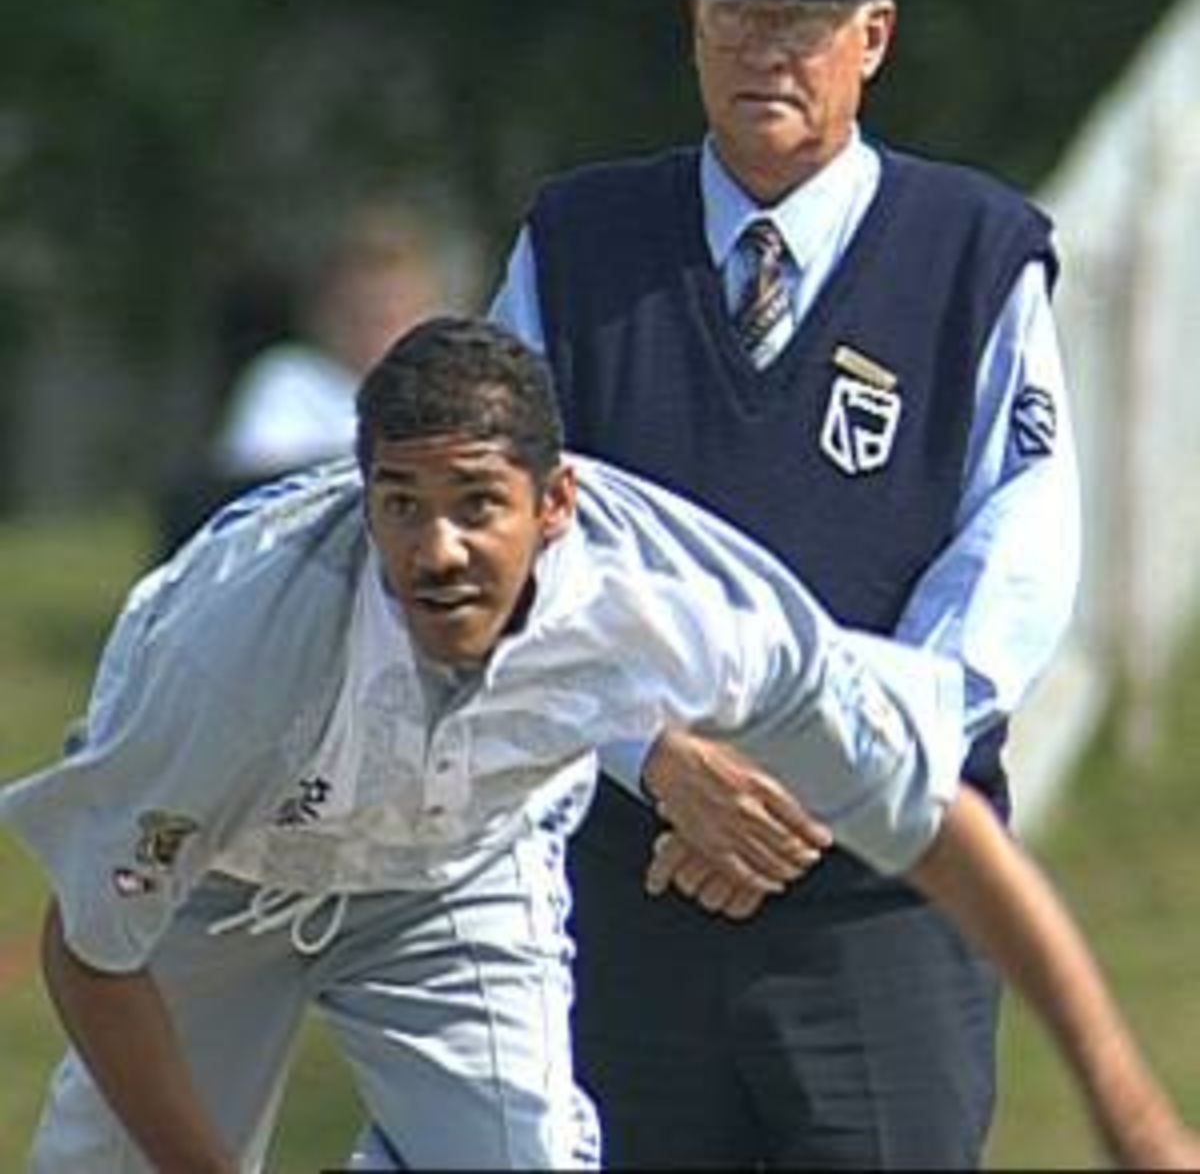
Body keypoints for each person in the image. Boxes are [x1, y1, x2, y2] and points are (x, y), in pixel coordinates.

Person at [0, 317, 1195, 1172]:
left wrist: (1131, 1111)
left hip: (451, 872)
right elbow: (89, 953)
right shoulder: (239, 652)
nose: (436, 550)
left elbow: (944, 837)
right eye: (400, 504)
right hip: (221, 883)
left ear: (555, 503)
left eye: (477, 502)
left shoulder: (682, 606)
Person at [489, 0, 1081, 1167]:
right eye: (737, 16)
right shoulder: (577, 246)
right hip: (622, 884)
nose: (767, 51)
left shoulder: (975, 252)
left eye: (801, 23)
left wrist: (826, 766)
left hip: (885, 896)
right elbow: (508, 538)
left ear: (873, 38)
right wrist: (650, 752)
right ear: (691, 27)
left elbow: (1015, 559)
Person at [156, 204, 449, 557]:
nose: (376, 330)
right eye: (361, 313)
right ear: (328, 313)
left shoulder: (451, 392)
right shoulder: (288, 382)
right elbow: (257, 499)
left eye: (391, 314)